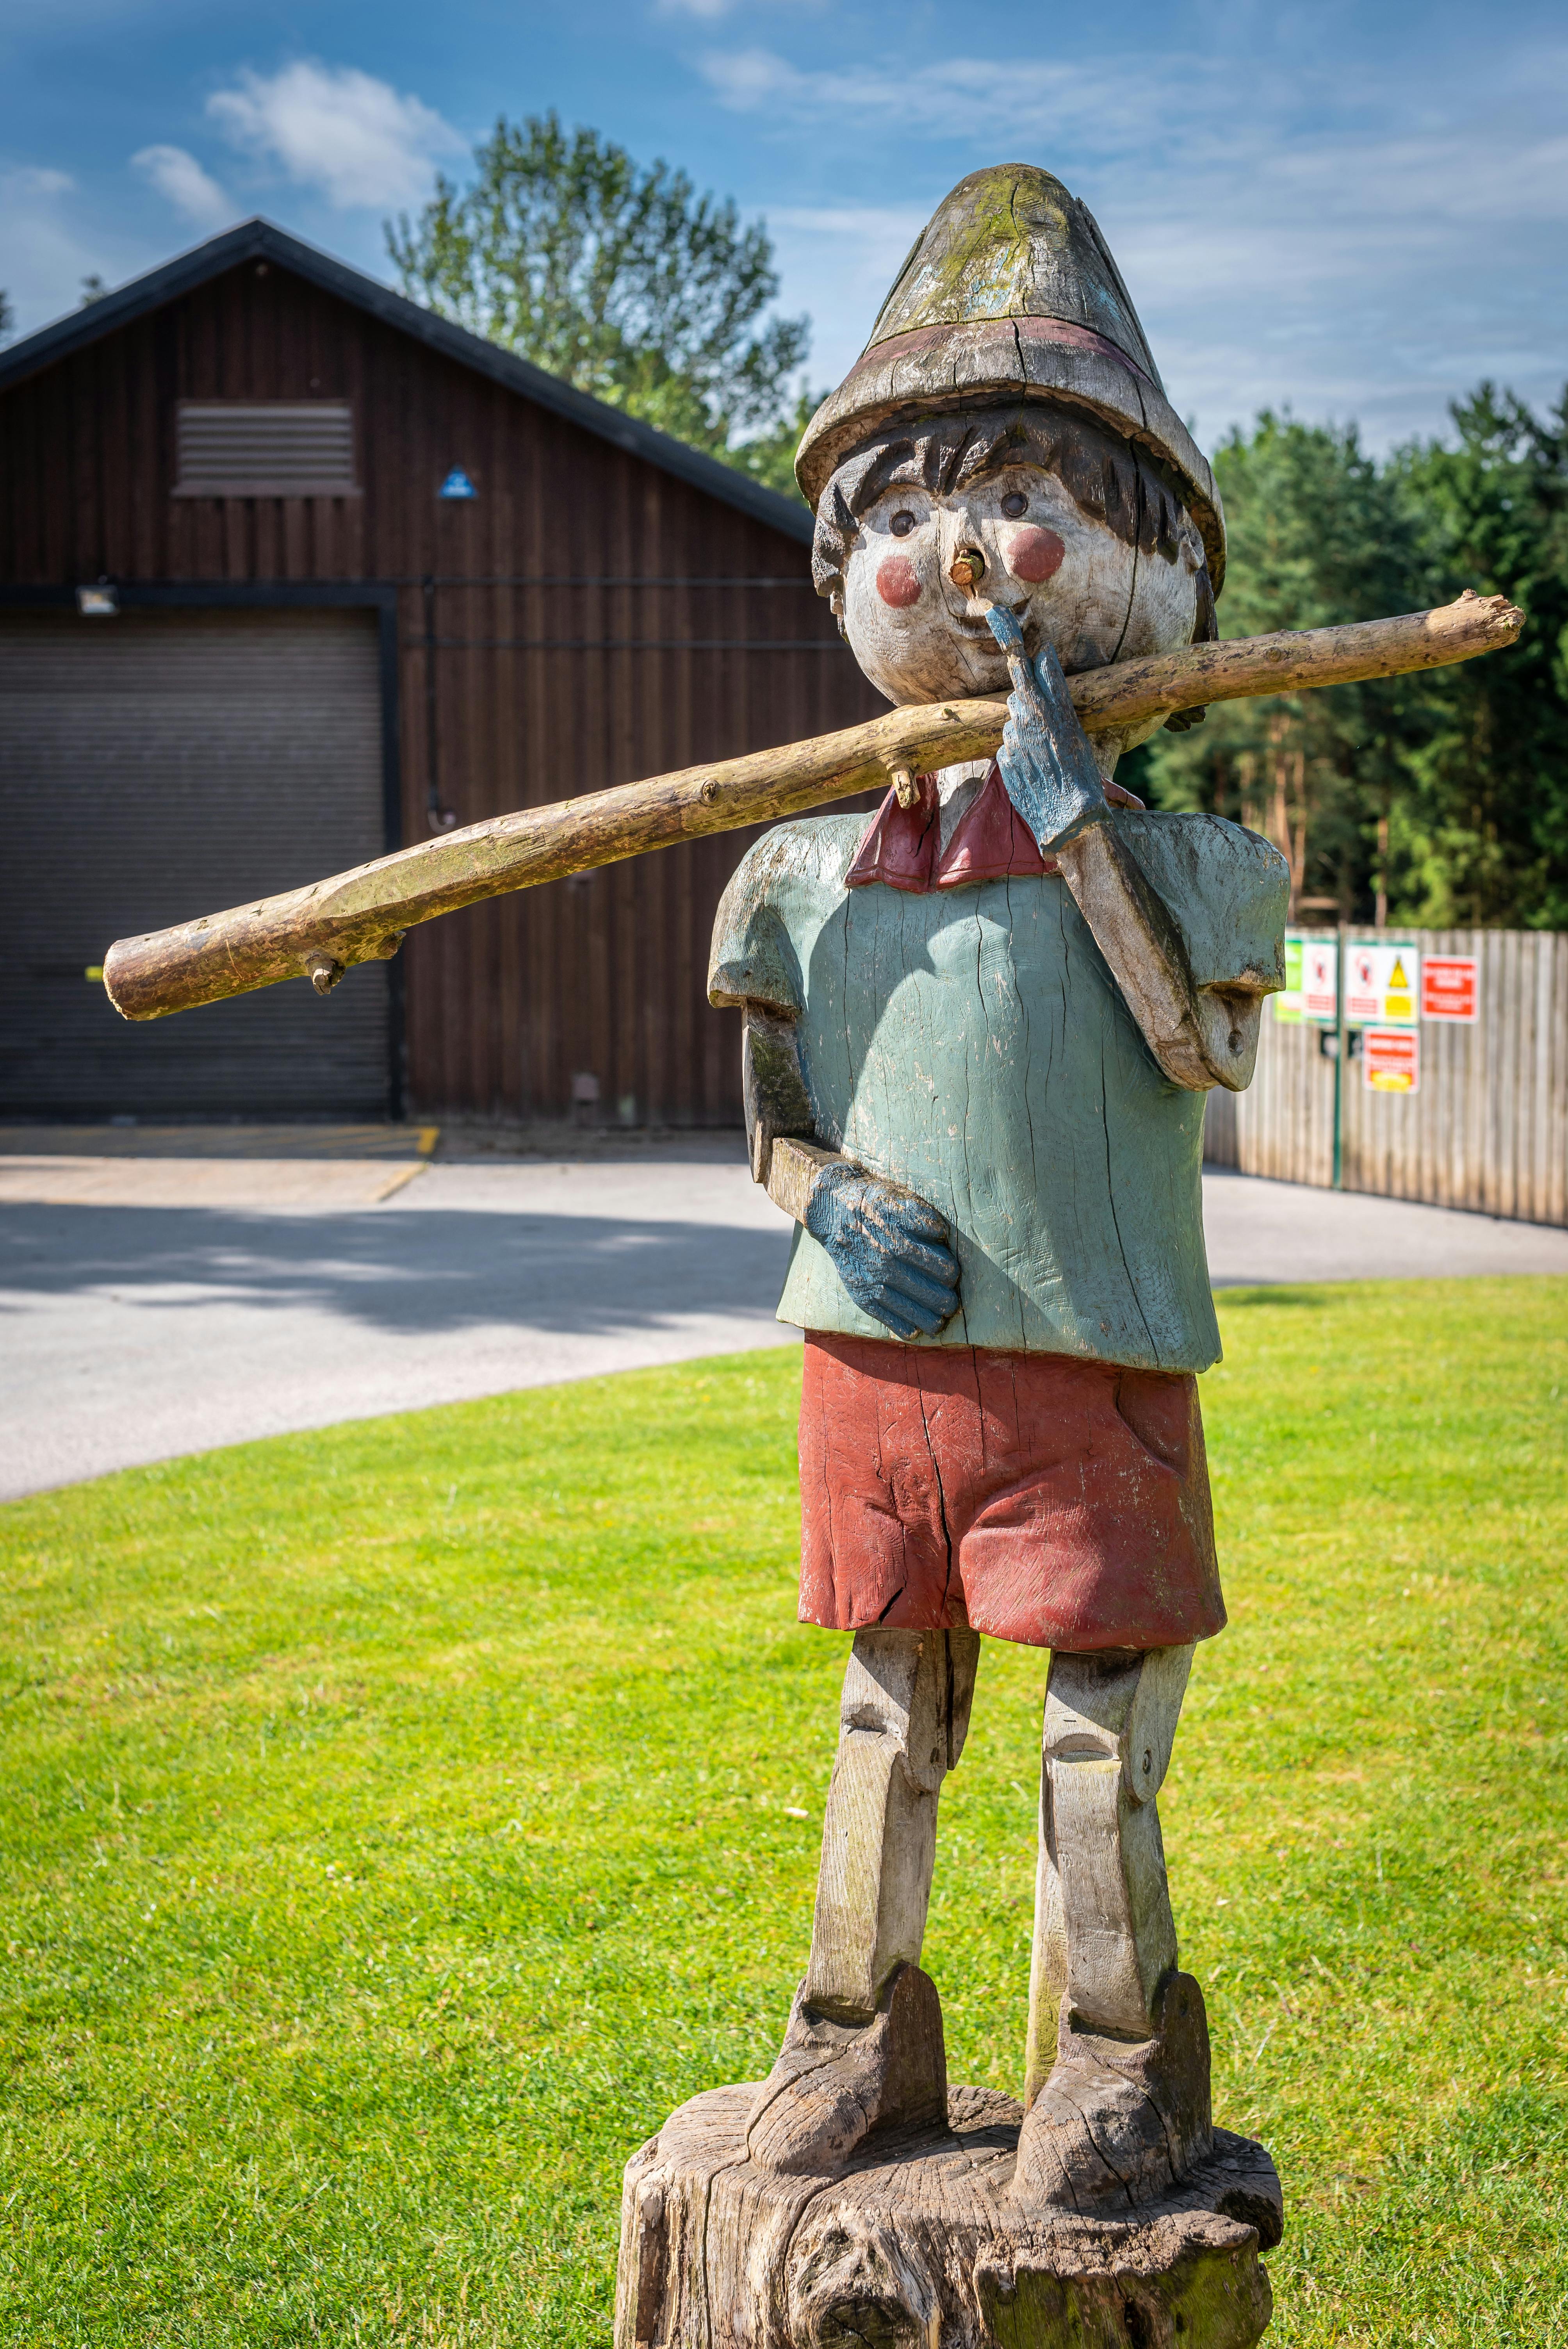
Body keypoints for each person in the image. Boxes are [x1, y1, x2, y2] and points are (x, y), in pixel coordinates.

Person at [707, 164, 1288, 2212]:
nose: (949, 558)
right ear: (837, 567)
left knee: (1094, 1735)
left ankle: (1113, 2057)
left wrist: (1073, 823)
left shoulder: (1204, 858)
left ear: (1165, 562)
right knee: (888, 1714)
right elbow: (771, 1113)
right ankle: (849, 2031)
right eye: (893, 519)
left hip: (1097, 1355)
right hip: (878, 1362)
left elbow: (1198, 1052)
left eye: (1016, 501)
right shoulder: (794, 863)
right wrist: (817, 1198)